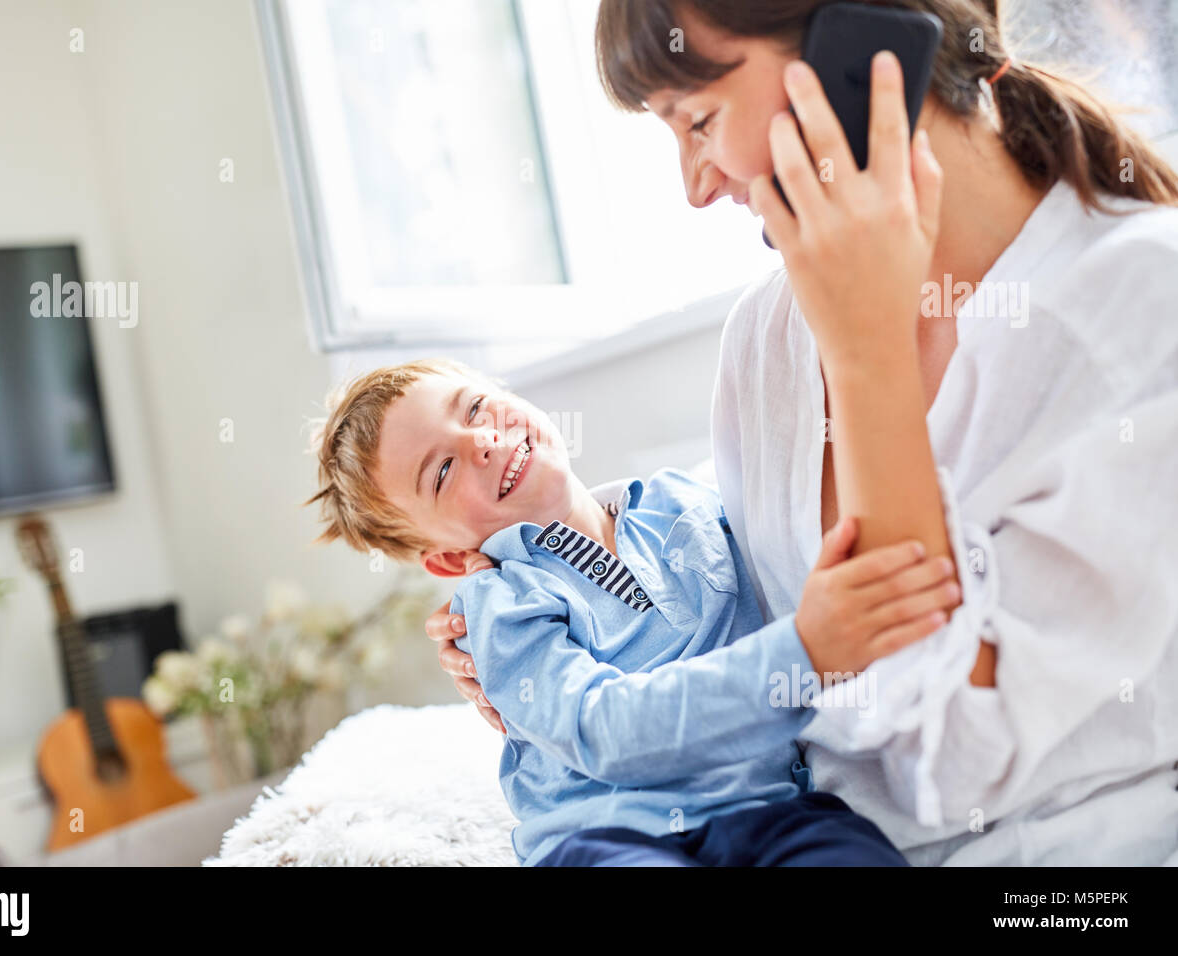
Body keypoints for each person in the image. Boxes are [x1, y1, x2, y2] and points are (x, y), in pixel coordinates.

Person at [427, 0, 1178, 865]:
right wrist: (540, 591)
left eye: (699, 121)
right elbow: (735, 578)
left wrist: (870, 362)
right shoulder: (768, 336)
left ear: (859, 54)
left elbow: (953, 773)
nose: (695, 186)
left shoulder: (1134, 310)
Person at [305, 357, 959, 865]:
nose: (481, 440)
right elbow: (603, 729)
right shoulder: (503, 605)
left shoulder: (682, 501)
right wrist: (806, 651)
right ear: (449, 561)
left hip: (767, 809)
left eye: (475, 406)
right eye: (442, 472)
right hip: (608, 836)